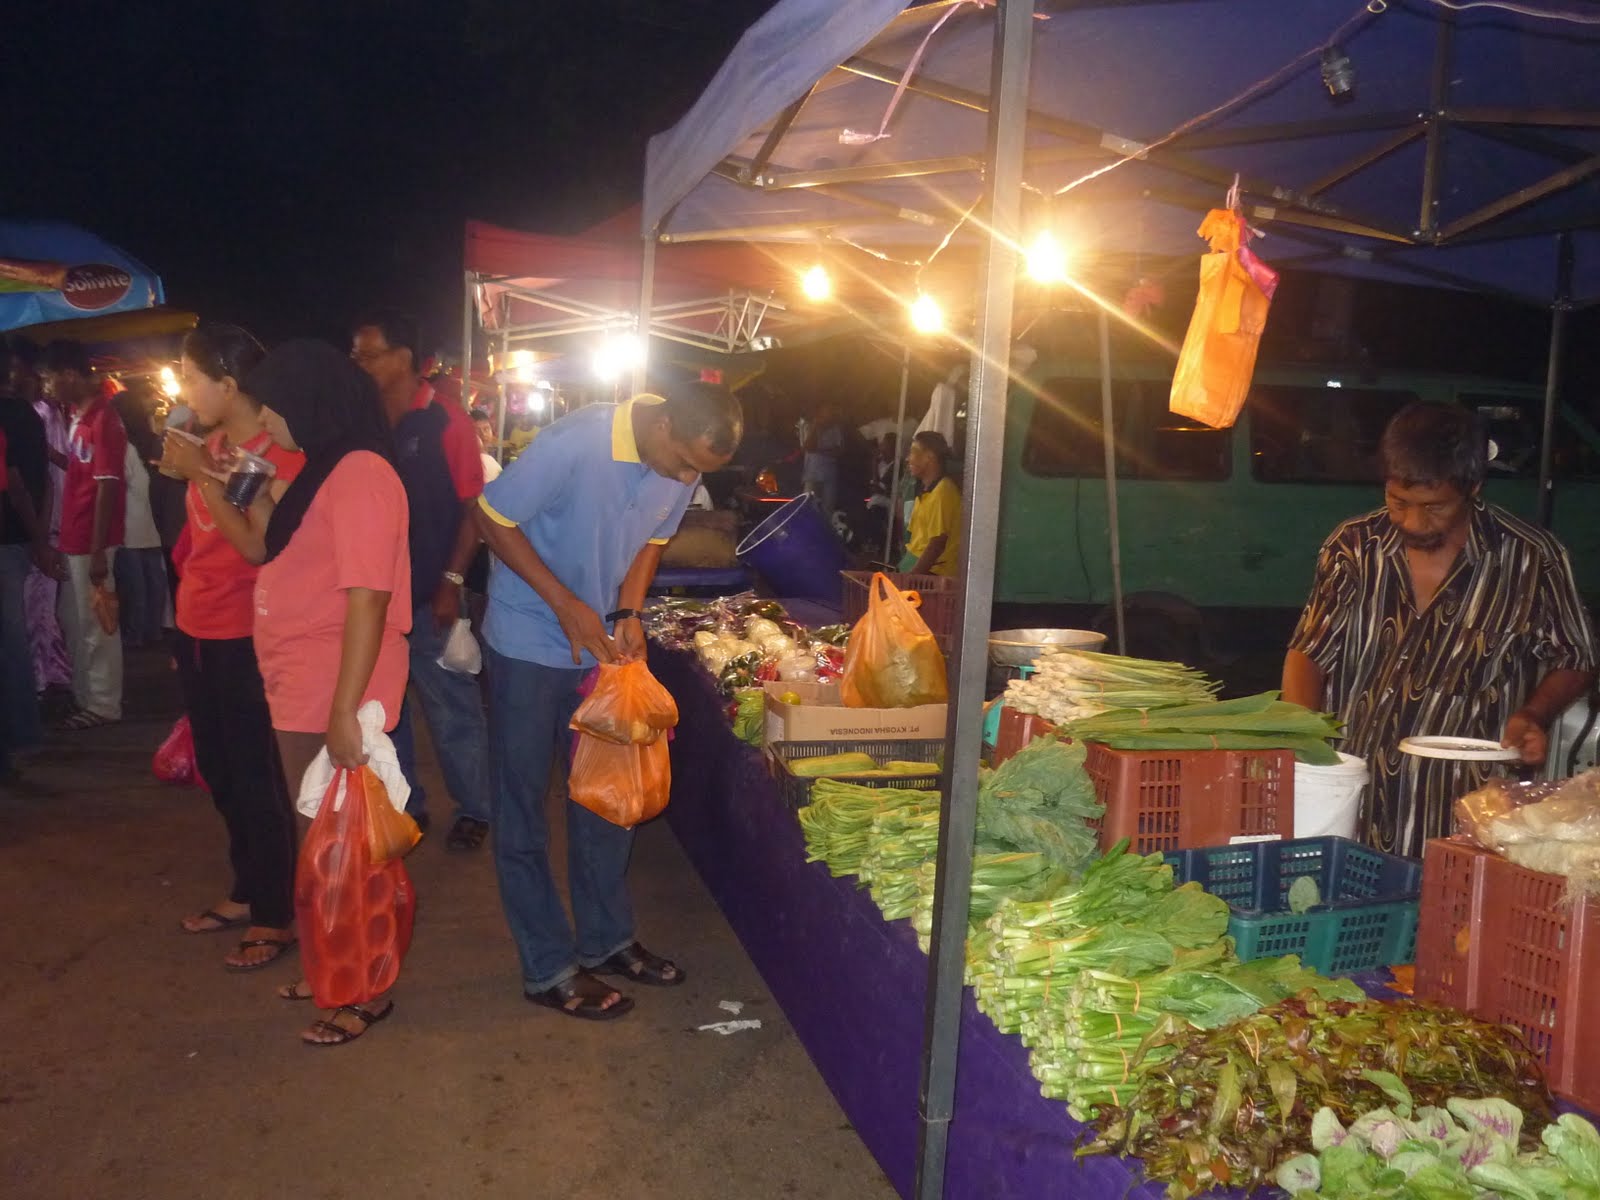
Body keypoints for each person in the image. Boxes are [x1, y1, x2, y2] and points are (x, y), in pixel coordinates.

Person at [476, 380, 741, 1019]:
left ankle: (606, 940)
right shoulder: (575, 442)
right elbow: (489, 517)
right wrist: (565, 603)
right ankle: (547, 966)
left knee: (606, 796)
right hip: (528, 641)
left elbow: (652, 542)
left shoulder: (679, 464)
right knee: (522, 808)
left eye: (700, 471)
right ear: (663, 425)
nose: (688, 479)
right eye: (685, 463)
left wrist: (627, 609)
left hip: (600, 648)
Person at [1282, 402, 1597, 858]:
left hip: (1468, 804)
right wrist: (1301, 738)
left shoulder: (1531, 558)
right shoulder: (1354, 547)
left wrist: (1534, 715)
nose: (1413, 522)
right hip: (1358, 790)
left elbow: (1577, 656)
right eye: (1398, 502)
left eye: (1434, 507)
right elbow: (1309, 651)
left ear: (1474, 487)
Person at [248, 339, 411, 1045]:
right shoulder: (326, 468)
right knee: (324, 847)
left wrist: (345, 710)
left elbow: (369, 597)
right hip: (306, 683)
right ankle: (332, 970)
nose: (264, 419)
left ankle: (364, 990)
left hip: (335, 688)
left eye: (271, 405)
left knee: (350, 853)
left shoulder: (361, 473)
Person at [163, 325, 306, 972]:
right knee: (219, 769)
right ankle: (249, 888)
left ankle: (276, 911)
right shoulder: (211, 447)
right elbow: (194, 544)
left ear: (228, 384)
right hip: (198, 625)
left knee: (256, 776)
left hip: (249, 632)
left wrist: (202, 477)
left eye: (191, 378)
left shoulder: (278, 455)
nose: (185, 391)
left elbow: (258, 547)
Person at [352, 310, 492, 851]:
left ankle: (475, 808)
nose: (359, 364)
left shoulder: (444, 420)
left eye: (369, 354)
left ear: (403, 358)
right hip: (375, 598)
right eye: (356, 355)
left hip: (432, 593)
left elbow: (474, 510)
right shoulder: (362, 421)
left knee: (451, 707)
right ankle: (406, 804)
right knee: (386, 712)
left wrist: (451, 582)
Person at [41, 341, 126, 729]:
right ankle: (88, 695)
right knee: (77, 620)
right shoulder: (81, 415)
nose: (48, 387)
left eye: (50, 378)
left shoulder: (104, 419)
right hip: (77, 535)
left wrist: (96, 551)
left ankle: (104, 703)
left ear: (70, 375)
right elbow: (83, 473)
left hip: (92, 538)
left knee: (97, 624)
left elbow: (107, 485)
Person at [1, 338, 54, 757]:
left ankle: (19, 730)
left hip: (8, 536)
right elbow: (44, 480)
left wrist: (38, 536)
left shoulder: (12, 415)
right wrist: (40, 535)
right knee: (13, 633)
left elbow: (15, 482)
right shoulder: (30, 414)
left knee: (10, 637)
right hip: (21, 535)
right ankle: (23, 728)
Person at [113, 381, 170, 647]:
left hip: (130, 520)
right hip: (154, 519)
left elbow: (118, 483)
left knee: (134, 583)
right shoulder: (153, 440)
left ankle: (135, 634)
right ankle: (154, 630)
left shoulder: (123, 445)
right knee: (154, 579)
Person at [900, 431, 961, 577]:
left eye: (913, 452)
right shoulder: (925, 491)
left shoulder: (943, 491)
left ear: (929, 457)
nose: (908, 459)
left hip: (931, 575)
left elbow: (937, 544)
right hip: (912, 565)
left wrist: (912, 579)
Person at [801, 403, 844, 517]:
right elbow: (807, 447)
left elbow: (839, 451)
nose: (828, 415)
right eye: (825, 412)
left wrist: (820, 450)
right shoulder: (808, 426)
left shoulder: (835, 429)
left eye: (830, 412)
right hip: (812, 475)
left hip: (829, 476)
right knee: (808, 508)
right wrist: (815, 427)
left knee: (827, 511)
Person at [471, 406, 502, 483]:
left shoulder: (489, 457)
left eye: (486, 429)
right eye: (477, 431)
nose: (483, 434)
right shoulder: (473, 462)